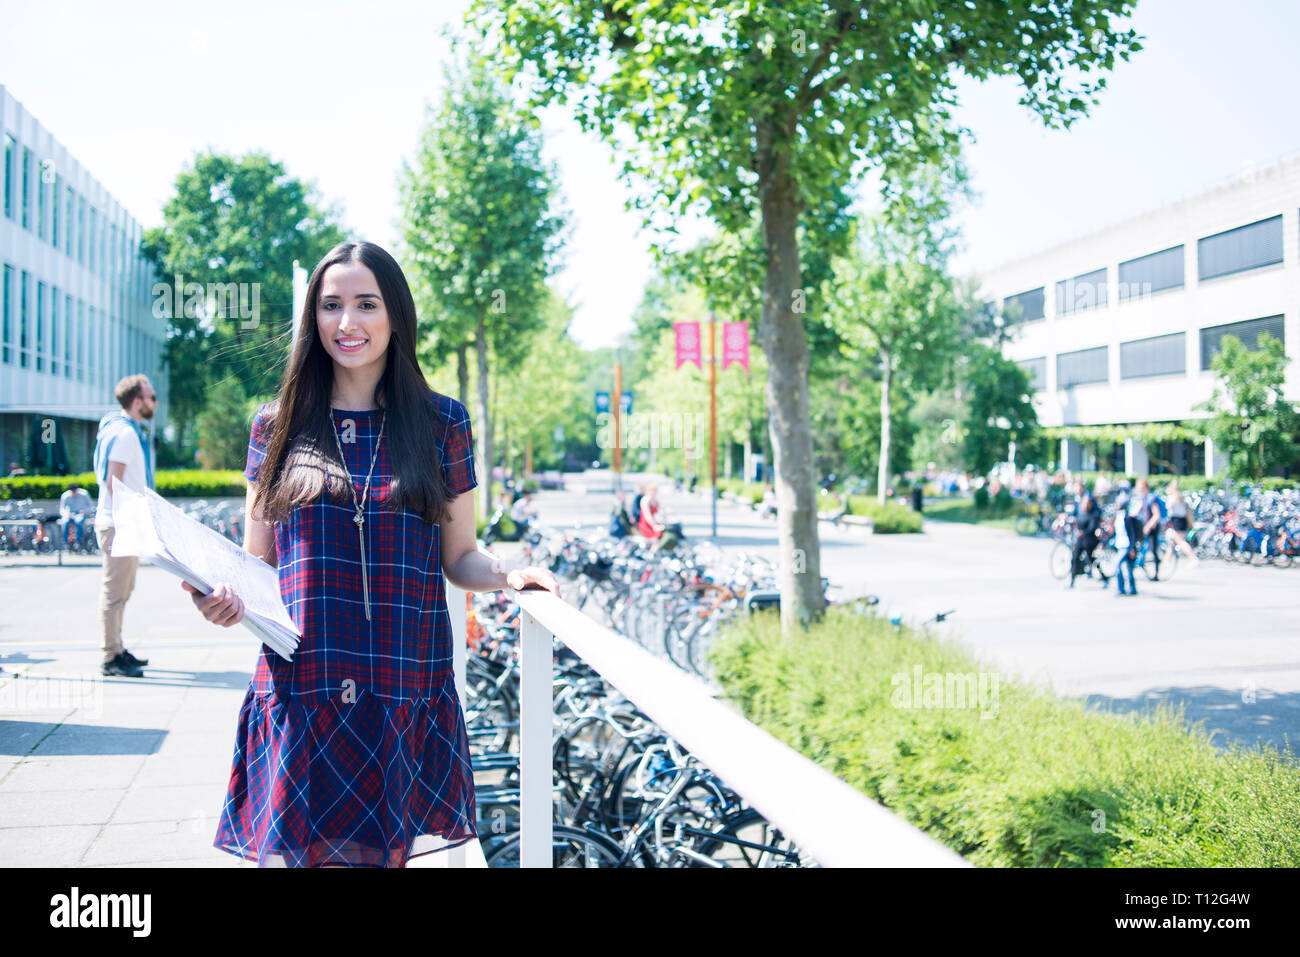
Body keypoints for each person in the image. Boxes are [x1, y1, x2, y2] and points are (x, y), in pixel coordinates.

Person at [180, 241, 559, 868]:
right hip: (305, 687)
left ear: (395, 316)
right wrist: (219, 600)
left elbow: (458, 556)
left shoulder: (442, 424)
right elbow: (256, 568)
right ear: (313, 319)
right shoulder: (275, 426)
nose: (346, 323)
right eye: (331, 306)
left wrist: (506, 573)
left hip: (400, 686)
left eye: (365, 304)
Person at [91, 374, 158, 678]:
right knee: (115, 592)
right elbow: (113, 482)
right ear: (136, 401)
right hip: (119, 525)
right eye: (151, 397)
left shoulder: (119, 429)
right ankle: (110, 657)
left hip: (123, 524)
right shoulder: (125, 435)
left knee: (123, 590)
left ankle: (118, 649)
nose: (154, 402)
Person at [1068, 493, 1107, 589]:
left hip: (1089, 541)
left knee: (1092, 560)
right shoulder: (1081, 514)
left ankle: (1104, 578)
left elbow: (1092, 528)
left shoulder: (1093, 515)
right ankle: (1072, 581)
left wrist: (1083, 532)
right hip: (1080, 540)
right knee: (1075, 558)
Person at [1135, 478, 1167, 580]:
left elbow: (1156, 515)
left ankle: (1156, 573)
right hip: (1145, 526)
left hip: (1152, 527)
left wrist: (1148, 526)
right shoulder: (1144, 498)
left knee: (1153, 550)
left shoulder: (1151, 498)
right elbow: (1137, 511)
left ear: (1144, 486)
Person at [1113, 487, 1142, 597]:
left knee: (1117, 564)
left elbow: (1132, 534)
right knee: (1129, 568)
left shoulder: (1128, 517)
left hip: (1126, 545)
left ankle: (1121, 588)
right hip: (1120, 544)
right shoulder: (1118, 516)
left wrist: (1132, 548)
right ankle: (1132, 588)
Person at [1165, 480, 1199, 564]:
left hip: (1176, 520)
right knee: (1173, 540)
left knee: (1180, 541)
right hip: (1182, 520)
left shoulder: (1172, 497)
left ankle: (1193, 558)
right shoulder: (1180, 497)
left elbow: (1168, 507)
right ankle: (1166, 559)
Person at [59, 485, 94, 549]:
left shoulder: (84, 494)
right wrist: (67, 514)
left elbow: (91, 506)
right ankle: (66, 543)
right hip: (70, 514)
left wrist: (84, 511)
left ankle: (78, 542)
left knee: (78, 522)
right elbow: (62, 509)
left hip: (81, 514)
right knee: (65, 523)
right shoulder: (66, 496)